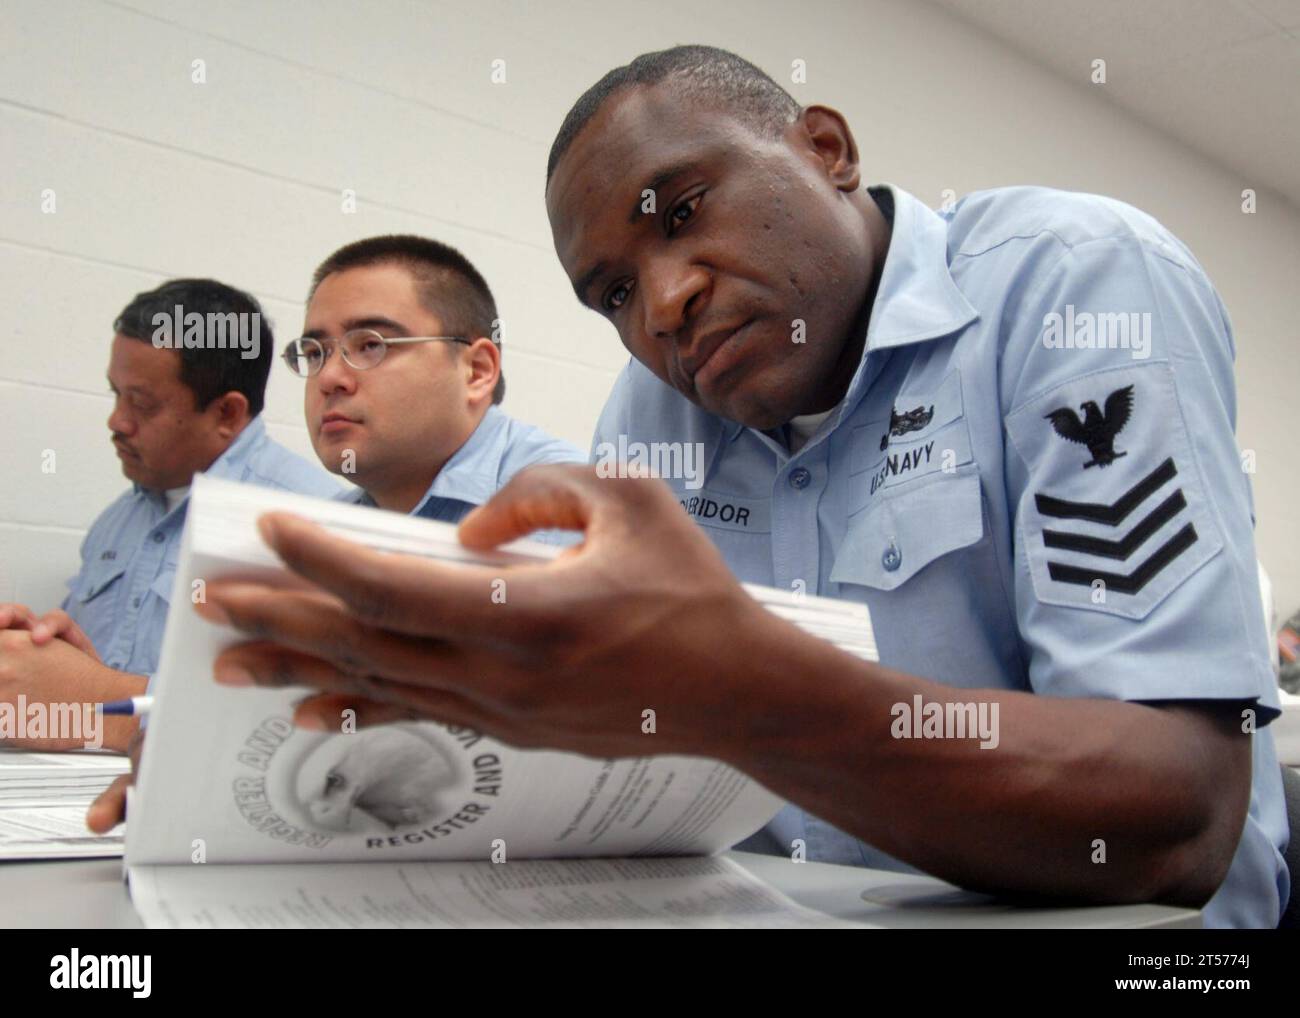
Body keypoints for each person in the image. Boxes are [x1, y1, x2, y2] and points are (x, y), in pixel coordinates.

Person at [132, 47, 1286, 928]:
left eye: (681, 213)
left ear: (827, 149)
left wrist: (734, 687)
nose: (665, 304)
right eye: (613, 295)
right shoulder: (655, 416)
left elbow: (1173, 816)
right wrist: (239, 782)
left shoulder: (1072, 281)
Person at [1, 279, 338, 753]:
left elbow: (308, 722)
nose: (116, 421)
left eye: (141, 403)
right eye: (115, 394)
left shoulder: (319, 524)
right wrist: (34, 655)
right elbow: (88, 684)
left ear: (227, 413)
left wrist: (102, 703)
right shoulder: (116, 521)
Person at [292, 235, 584, 521]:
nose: (328, 378)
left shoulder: (571, 509)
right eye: (315, 354)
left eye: (371, 345)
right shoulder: (331, 526)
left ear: (477, 371)